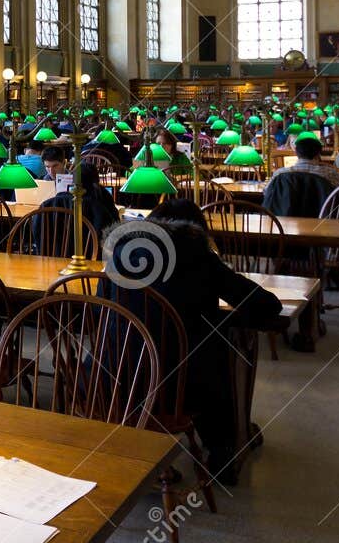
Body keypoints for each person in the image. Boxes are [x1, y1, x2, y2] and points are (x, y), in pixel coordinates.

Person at [102, 200, 283, 482]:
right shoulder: (198, 256)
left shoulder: (119, 254)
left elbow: (104, 307)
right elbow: (267, 305)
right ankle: (221, 455)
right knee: (216, 350)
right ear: (196, 230)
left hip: (115, 376)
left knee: (200, 343)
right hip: (178, 384)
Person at [262, 136, 339, 218]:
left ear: (296, 153)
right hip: (322, 224)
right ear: (318, 154)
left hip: (284, 223)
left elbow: (266, 192)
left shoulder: (280, 173)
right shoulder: (329, 174)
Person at [39, 161, 120, 239]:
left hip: (55, 250)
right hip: (93, 251)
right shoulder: (102, 197)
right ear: (96, 179)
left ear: (72, 179)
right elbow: (114, 226)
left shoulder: (56, 200)